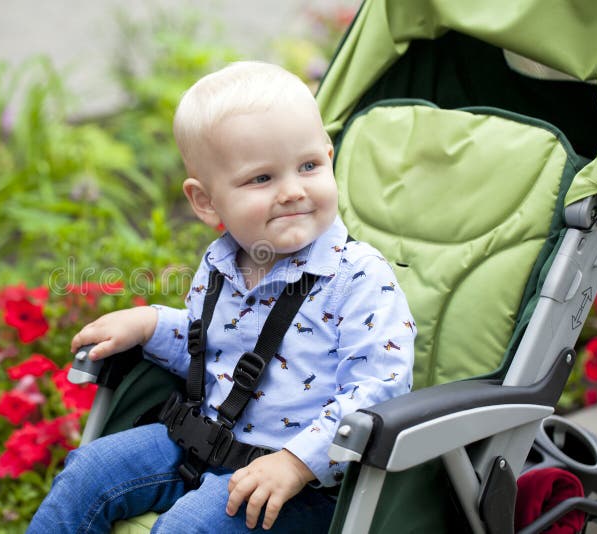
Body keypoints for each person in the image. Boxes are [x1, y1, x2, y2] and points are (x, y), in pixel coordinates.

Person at [27, 61, 415, 533]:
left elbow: (381, 386)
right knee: (87, 473)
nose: (293, 191)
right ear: (206, 201)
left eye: (309, 166)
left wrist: (296, 463)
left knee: (186, 527)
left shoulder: (357, 278)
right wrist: (150, 324)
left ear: (329, 158)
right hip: (203, 440)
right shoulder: (222, 264)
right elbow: (208, 346)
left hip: (299, 485)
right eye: (262, 179)